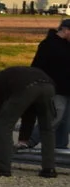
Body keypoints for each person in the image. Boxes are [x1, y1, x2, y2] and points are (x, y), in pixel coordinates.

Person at [0, 65, 60, 179]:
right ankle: (49, 169)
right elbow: (29, 113)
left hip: (27, 87)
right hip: (48, 86)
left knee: (4, 125)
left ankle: (3, 168)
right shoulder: (9, 76)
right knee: (47, 128)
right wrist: (24, 138)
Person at [34, 18, 70, 149]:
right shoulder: (48, 44)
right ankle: (30, 141)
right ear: (65, 30)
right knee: (54, 117)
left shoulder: (67, 45)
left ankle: (60, 146)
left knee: (65, 122)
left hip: (67, 89)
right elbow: (37, 66)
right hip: (54, 88)